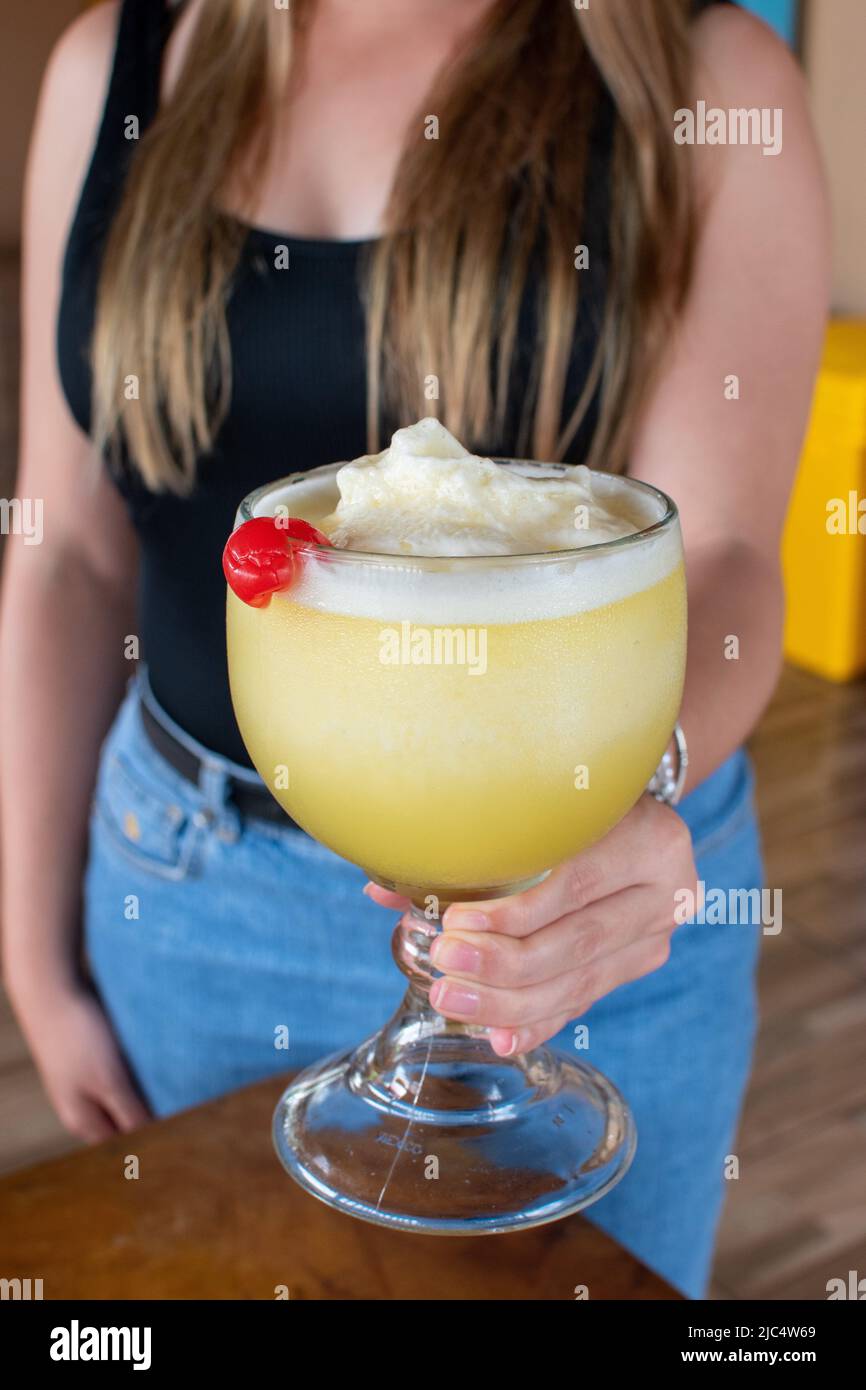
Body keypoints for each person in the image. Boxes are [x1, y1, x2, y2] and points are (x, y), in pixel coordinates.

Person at [0, 0, 828, 1298]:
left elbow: (722, 558)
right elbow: (68, 555)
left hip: (578, 920)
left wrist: (646, 781)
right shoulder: (111, 68)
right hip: (192, 894)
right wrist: (33, 952)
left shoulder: (710, 80)